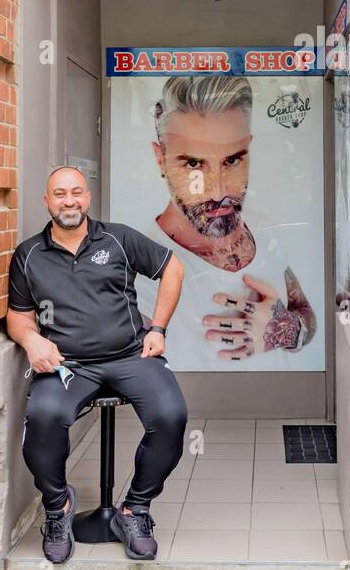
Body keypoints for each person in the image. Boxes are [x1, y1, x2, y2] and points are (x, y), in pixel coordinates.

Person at [5, 166, 186, 566]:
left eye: (76, 193)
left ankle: (134, 511)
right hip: (68, 365)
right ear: (47, 201)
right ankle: (57, 508)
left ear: (87, 197)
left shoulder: (118, 239)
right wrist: (32, 340)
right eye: (60, 194)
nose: (69, 201)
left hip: (129, 356)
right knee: (44, 417)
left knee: (171, 415)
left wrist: (158, 328)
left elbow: (172, 268)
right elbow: (18, 316)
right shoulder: (29, 255)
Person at [135, 74, 317, 368]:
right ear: (161, 160)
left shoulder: (264, 230)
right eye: (193, 163)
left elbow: (302, 311)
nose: (218, 191)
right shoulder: (142, 267)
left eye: (232, 161)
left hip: (283, 406)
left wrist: (288, 329)